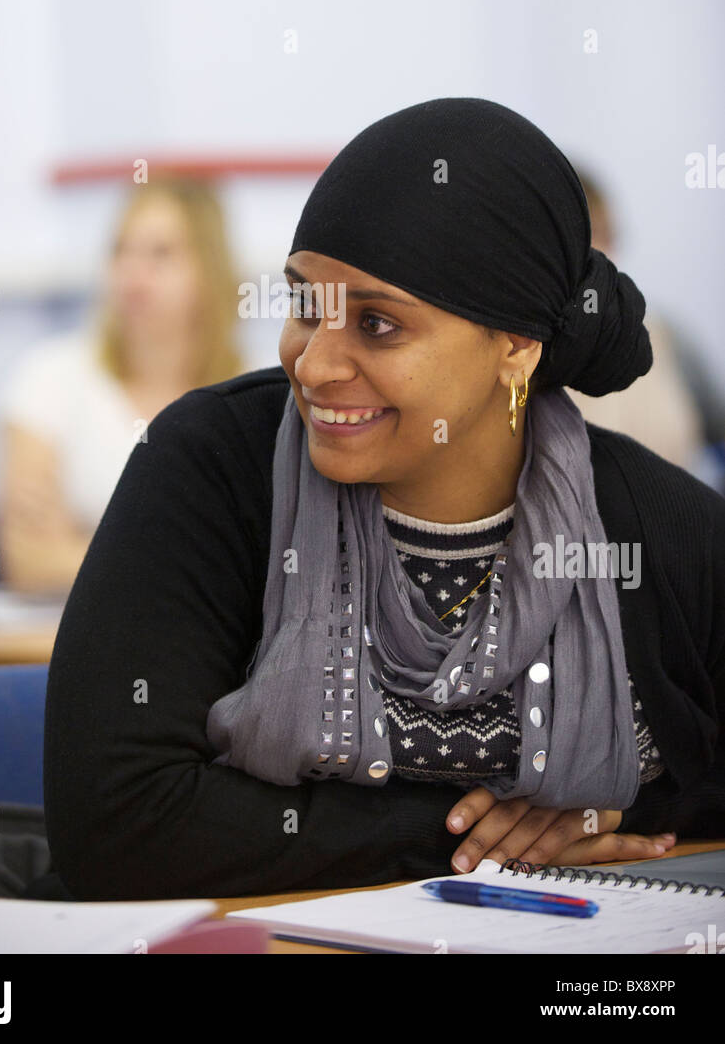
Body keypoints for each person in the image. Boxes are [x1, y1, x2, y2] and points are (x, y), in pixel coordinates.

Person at [43, 98, 725, 900]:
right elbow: (115, 825)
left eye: (375, 324)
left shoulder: (656, 529)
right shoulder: (211, 466)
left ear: (515, 346)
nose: (314, 363)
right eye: (305, 305)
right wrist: (477, 839)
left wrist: (609, 812)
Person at [0, 176, 245, 591]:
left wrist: (80, 549)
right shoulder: (50, 374)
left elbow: (264, 564)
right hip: (64, 640)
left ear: (210, 269)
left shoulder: (254, 393)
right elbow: (29, 561)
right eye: (120, 251)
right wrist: (192, 559)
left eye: (160, 254)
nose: (133, 274)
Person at [565, 165, 725, 479]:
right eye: (587, 235)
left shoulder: (667, 336)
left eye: (606, 234)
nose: (600, 253)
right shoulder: (521, 351)